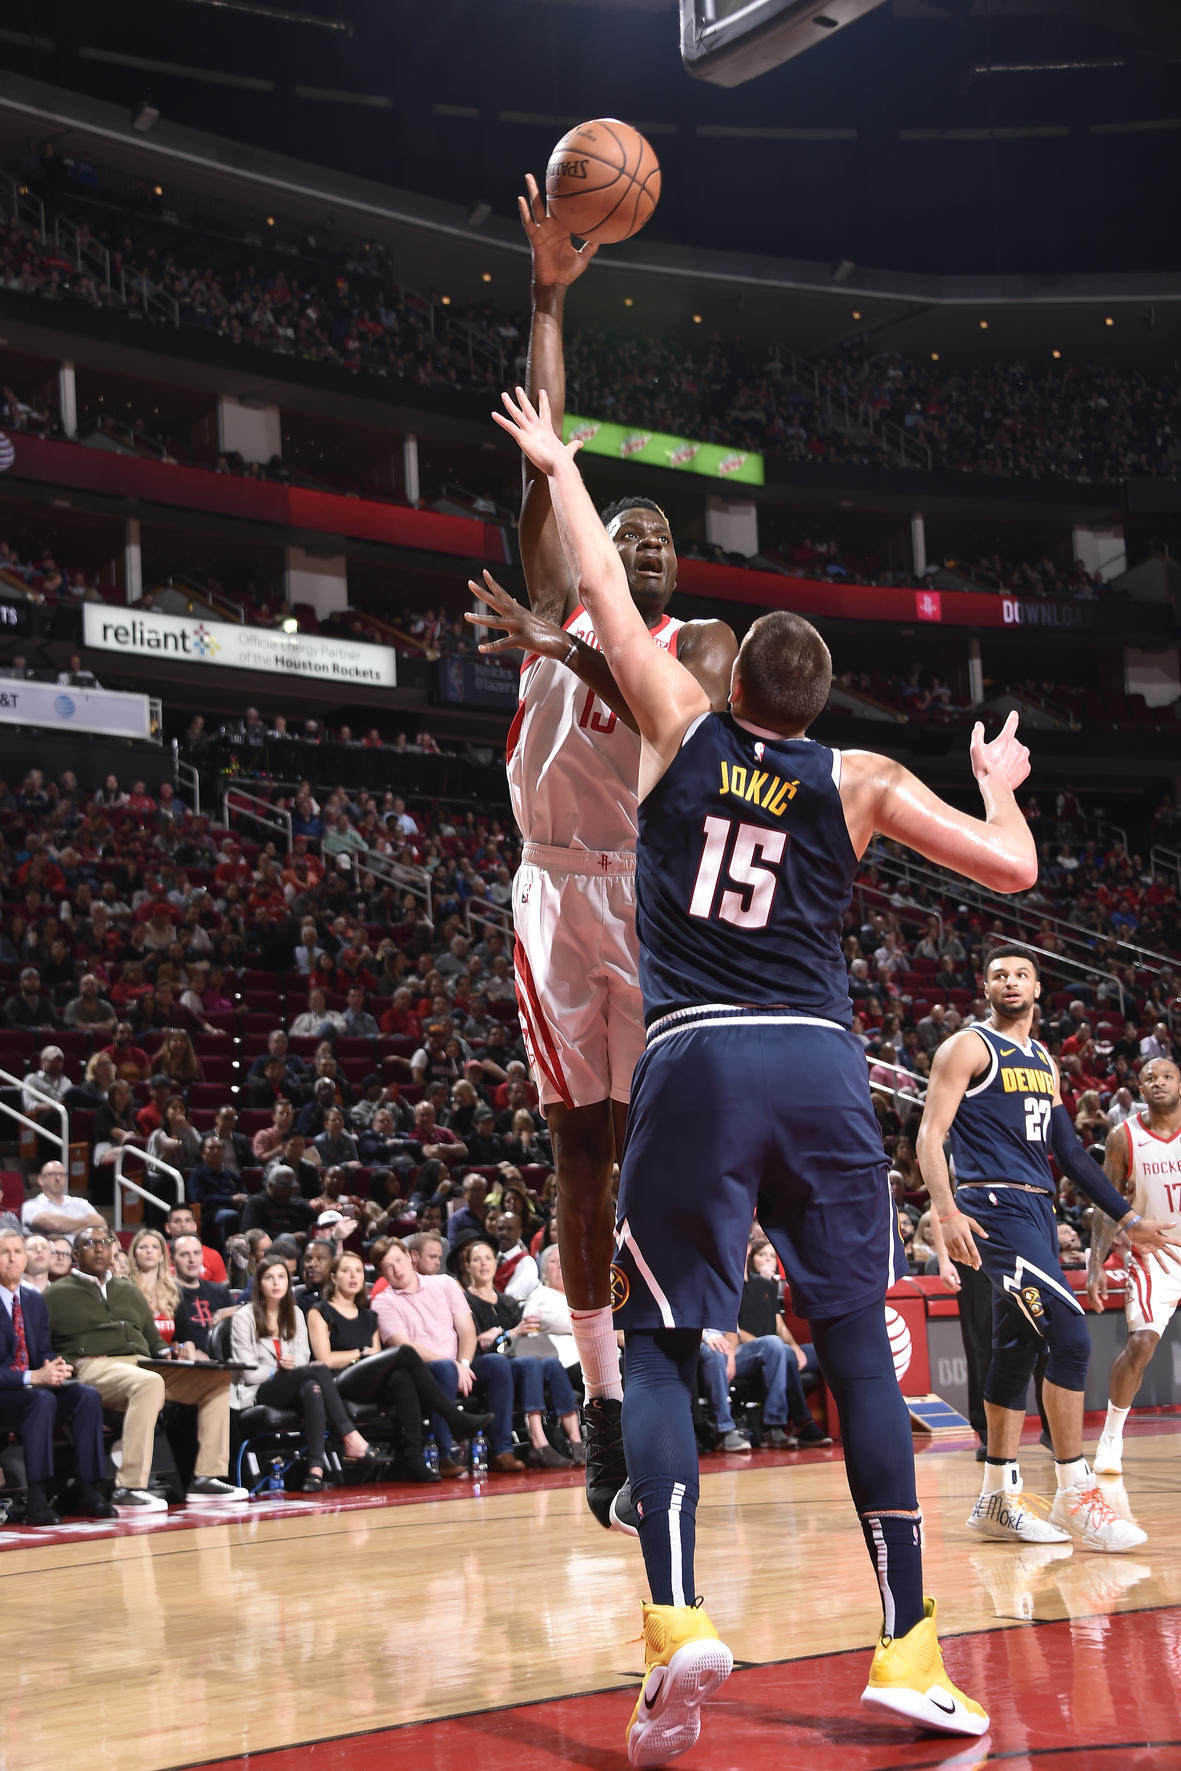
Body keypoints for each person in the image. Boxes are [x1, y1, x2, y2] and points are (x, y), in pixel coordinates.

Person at [490, 383, 1046, 1753]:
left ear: (730, 683)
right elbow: (1016, 870)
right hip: (819, 1067)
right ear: (814, 698)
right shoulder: (856, 778)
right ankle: (907, 1645)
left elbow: (606, 606)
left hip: (694, 1066)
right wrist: (1000, 777)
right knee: (856, 1345)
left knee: (670, 1337)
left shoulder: (679, 724)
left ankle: (678, 1621)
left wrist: (560, 463)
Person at [466, 176, 739, 1532]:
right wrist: (548, 293)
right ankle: (598, 1406)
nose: (634, 534)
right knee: (578, 1146)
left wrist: (553, 638)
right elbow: (545, 442)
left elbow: (642, 698)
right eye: (614, 527)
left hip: (649, 903)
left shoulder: (700, 650)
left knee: (650, 1152)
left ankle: (663, 1371)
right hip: (552, 890)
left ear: (675, 575)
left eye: (656, 535)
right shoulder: (560, 589)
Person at [918, 946, 1180, 1559]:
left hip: (1036, 1208)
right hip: (993, 1209)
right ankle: (1073, 1487)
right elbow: (931, 1134)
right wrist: (946, 1210)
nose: (1010, 982)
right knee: (1071, 1337)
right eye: (1000, 975)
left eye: (1022, 974)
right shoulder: (968, 1048)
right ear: (984, 987)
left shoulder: (1042, 1061)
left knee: (1017, 1344)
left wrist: (1127, 1218)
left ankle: (996, 1500)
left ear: (1039, 989)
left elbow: (1067, 1149)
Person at [46, 1226, 248, 1510]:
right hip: (94, 1364)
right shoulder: (57, 1293)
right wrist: (65, 1363)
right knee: (149, 1383)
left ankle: (205, 1478)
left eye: (105, 1242)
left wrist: (171, 1352)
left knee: (215, 1380)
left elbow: (153, 1339)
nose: (100, 1248)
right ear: (77, 1254)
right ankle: (129, 1486)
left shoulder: (127, 1289)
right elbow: (42, 1342)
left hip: (142, 1362)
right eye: (91, 1243)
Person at [306, 1251, 492, 1482]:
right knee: (405, 1351)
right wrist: (360, 1354)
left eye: (358, 1271)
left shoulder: (368, 1314)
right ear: (333, 1277)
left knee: (402, 1376)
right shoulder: (319, 1311)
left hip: (368, 1380)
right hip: (338, 1381)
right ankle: (453, 1417)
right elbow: (325, 1359)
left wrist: (370, 1356)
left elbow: (375, 1355)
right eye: (346, 1271)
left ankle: (413, 1458)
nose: (353, 1276)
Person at [1087, 1058, 1181, 1475]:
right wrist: (1095, 1264)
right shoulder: (1123, 1137)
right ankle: (1111, 1436)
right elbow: (1106, 1206)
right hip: (1154, 1256)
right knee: (1141, 1343)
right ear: (1139, 1089)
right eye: (1150, 1078)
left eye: (1167, 1077)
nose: (1159, 1083)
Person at [372, 1239, 524, 1475]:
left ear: (409, 1257)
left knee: (497, 1363)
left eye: (399, 1261)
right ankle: (444, 1456)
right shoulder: (383, 1301)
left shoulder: (445, 1283)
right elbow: (404, 1346)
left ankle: (502, 1451)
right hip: (425, 1373)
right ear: (382, 1273)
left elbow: (467, 1330)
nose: (398, 1269)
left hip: (461, 1365)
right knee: (443, 1368)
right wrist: (454, 1365)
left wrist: (463, 1363)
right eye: (388, 1267)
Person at [0, 1226, 115, 1525]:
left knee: (85, 1396)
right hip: (7, 1392)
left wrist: (56, 1367)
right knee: (41, 1400)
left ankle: (91, 1489)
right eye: (4, 1253)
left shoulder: (34, 1300)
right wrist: (33, 1377)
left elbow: (43, 1352)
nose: (13, 1259)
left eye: (17, 1252)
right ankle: (37, 1499)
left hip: (31, 1388)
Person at [229, 1254, 371, 1493]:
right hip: (257, 1390)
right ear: (259, 1284)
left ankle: (315, 1471)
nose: (276, 1283)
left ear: (288, 1282)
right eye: (269, 1278)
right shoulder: (244, 1317)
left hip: (292, 1383)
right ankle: (350, 1435)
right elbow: (248, 1371)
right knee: (317, 1371)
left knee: (312, 1388)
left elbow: (303, 1359)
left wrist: (292, 1366)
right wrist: (277, 1368)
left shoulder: (294, 1313)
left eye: (281, 1277)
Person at [459, 1235, 583, 1467]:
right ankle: (533, 1442)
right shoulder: (464, 1300)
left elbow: (522, 1335)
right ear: (468, 1266)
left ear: (496, 1264)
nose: (484, 1264)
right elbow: (476, 1341)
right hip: (482, 1363)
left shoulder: (506, 1301)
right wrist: (508, 1332)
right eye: (477, 1260)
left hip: (512, 1359)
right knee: (528, 1363)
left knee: (549, 1363)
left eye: (488, 1258)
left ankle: (575, 1441)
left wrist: (506, 1331)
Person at [20, 1159, 106, 1243]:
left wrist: (67, 1231)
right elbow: (55, 1224)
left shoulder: (80, 1203)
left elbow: (101, 1223)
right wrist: (87, 1222)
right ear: (41, 1180)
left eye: (62, 1174)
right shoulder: (31, 1205)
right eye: (52, 1174)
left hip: (83, 1252)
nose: (58, 1178)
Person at [128, 1227, 180, 1345]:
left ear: (162, 1255)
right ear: (134, 1255)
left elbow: (182, 1335)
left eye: (155, 1247)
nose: (149, 1251)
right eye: (143, 1247)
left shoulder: (174, 1291)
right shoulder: (126, 1289)